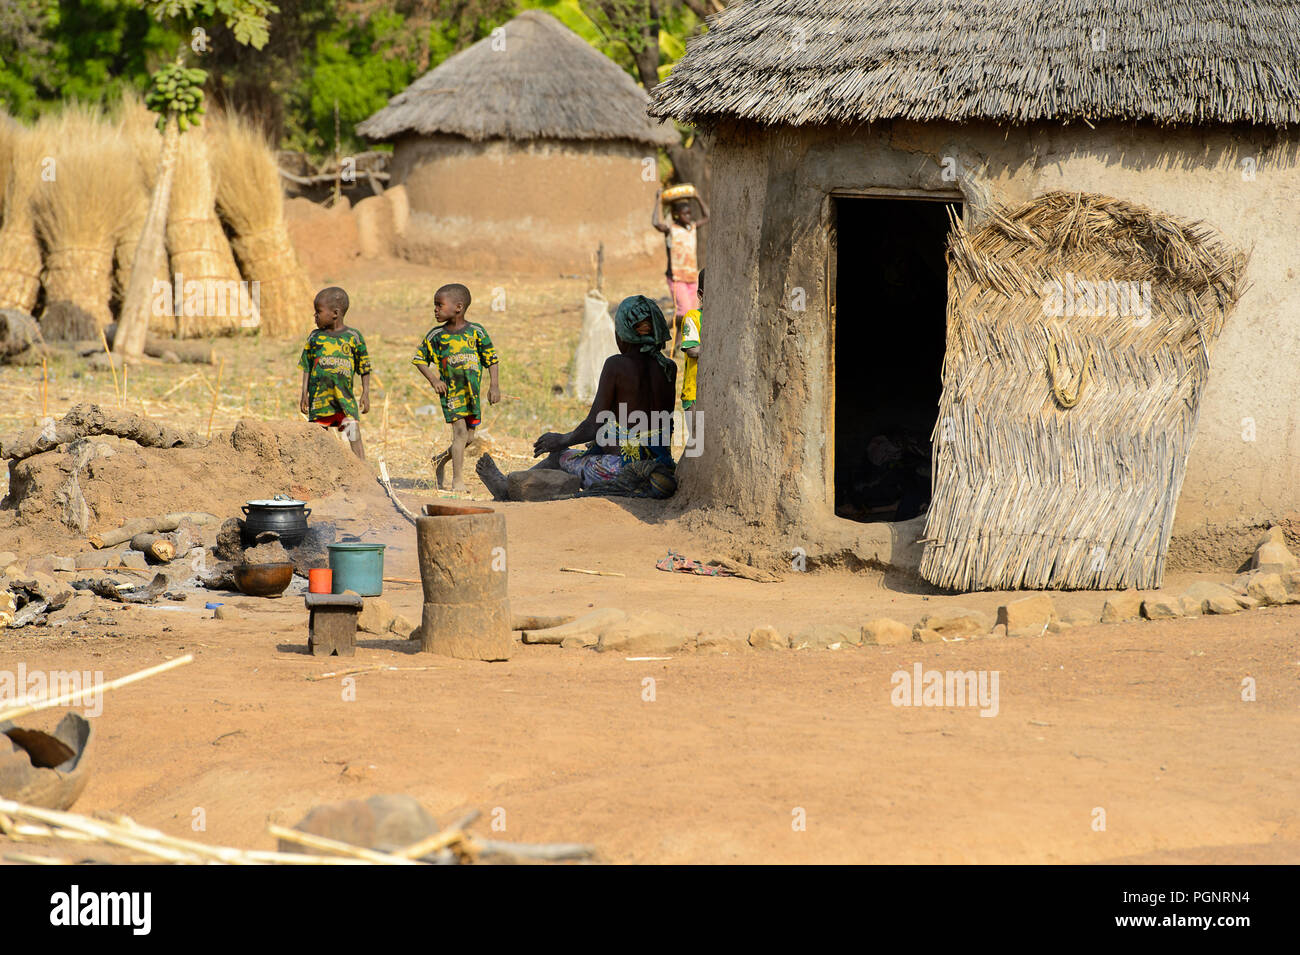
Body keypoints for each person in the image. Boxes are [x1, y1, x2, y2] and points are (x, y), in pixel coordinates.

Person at [476, 295, 677, 500]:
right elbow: (653, 432)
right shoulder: (668, 367)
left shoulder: (616, 366)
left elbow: (593, 425)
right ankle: (513, 484)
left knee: (560, 457)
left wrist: (562, 440)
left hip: (625, 472)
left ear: (624, 334)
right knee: (598, 443)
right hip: (660, 467)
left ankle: (508, 488)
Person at [412, 283, 501, 493]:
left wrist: (494, 386)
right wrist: (434, 380)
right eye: (435, 305)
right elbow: (419, 359)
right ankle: (457, 481)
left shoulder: (477, 332)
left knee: (469, 438)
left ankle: (440, 459)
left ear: (458, 307)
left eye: (439, 305)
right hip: (451, 393)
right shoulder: (436, 336)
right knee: (460, 434)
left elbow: (492, 359)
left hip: (472, 394)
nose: (435, 310)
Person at [298, 286, 370, 460]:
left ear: (335, 313)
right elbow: (307, 366)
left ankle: (364, 473)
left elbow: (364, 367)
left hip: (343, 397)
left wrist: (366, 393)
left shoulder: (354, 337)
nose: (314, 316)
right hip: (319, 398)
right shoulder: (314, 337)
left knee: (353, 433)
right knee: (317, 436)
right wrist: (304, 393)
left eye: (318, 312)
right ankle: (320, 472)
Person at [652, 187, 709, 356]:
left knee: (689, 313)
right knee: (683, 312)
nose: (689, 217)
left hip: (691, 276)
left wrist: (698, 197)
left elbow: (708, 216)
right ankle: (660, 331)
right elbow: (656, 223)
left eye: (690, 213)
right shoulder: (671, 229)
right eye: (685, 214)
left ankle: (678, 346)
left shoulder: (691, 227)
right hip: (676, 277)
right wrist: (657, 201)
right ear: (677, 215)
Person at [680, 267, 703, 444]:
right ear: (701, 295)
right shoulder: (693, 317)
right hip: (694, 391)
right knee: (697, 439)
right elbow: (692, 350)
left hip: (714, 390)